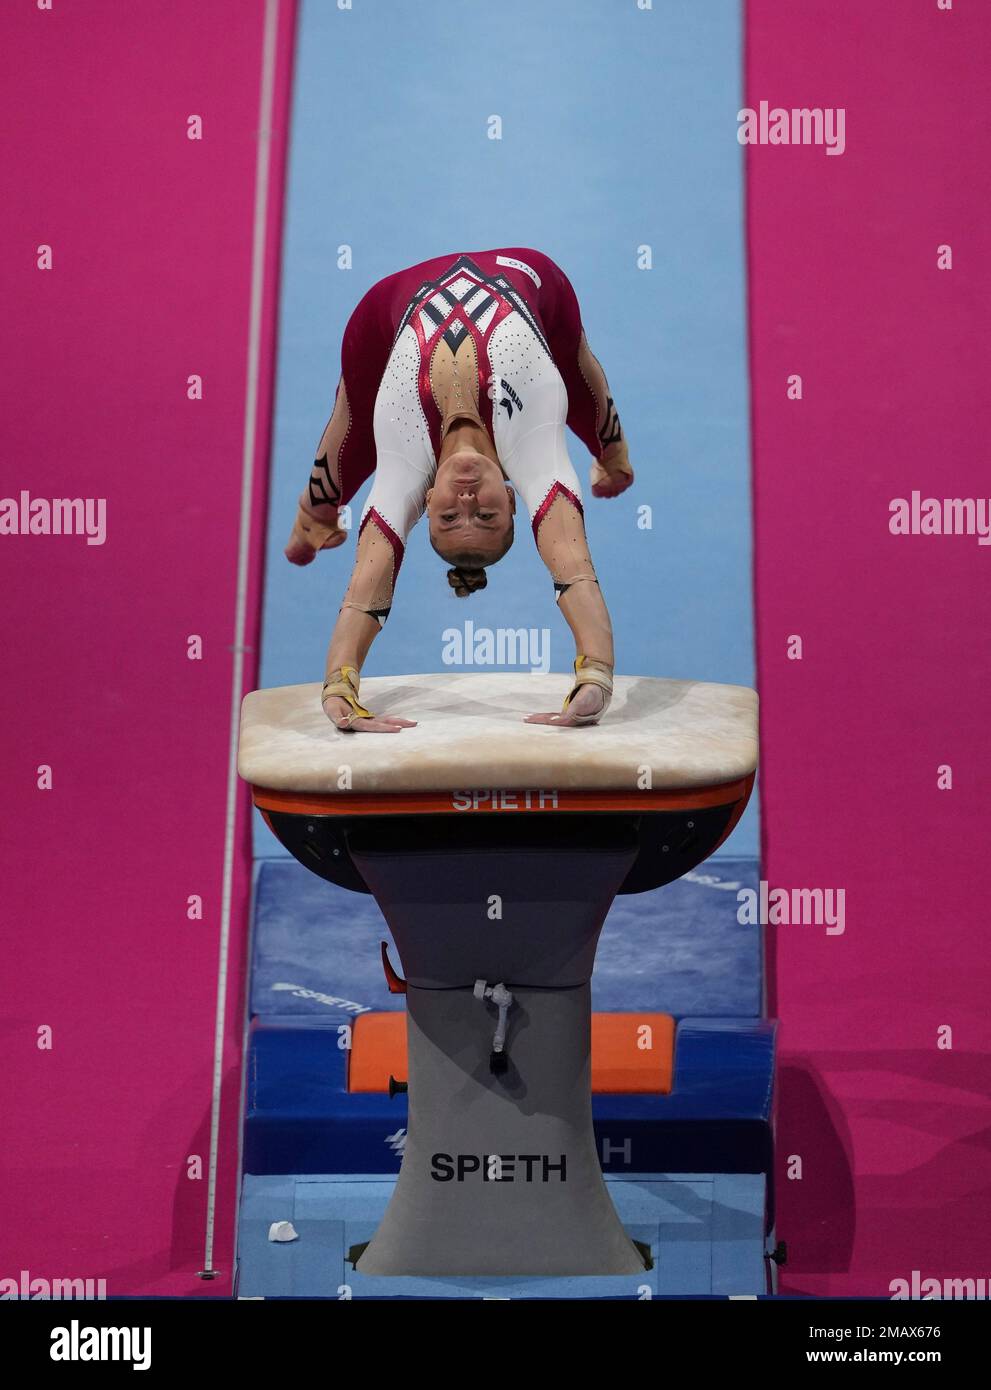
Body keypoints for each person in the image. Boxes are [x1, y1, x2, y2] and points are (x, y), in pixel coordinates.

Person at [284, 247, 633, 733]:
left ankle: (313, 517)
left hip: (385, 306)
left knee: (354, 420)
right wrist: (596, 675)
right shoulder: (534, 451)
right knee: (576, 366)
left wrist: (339, 687)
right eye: (486, 517)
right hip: (532, 275)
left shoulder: (405, 466)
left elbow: (366, 592)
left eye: (449, 519)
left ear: (425, 503)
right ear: (514, 500)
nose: (466, 502)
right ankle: (614, 459)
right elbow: (573, 568)